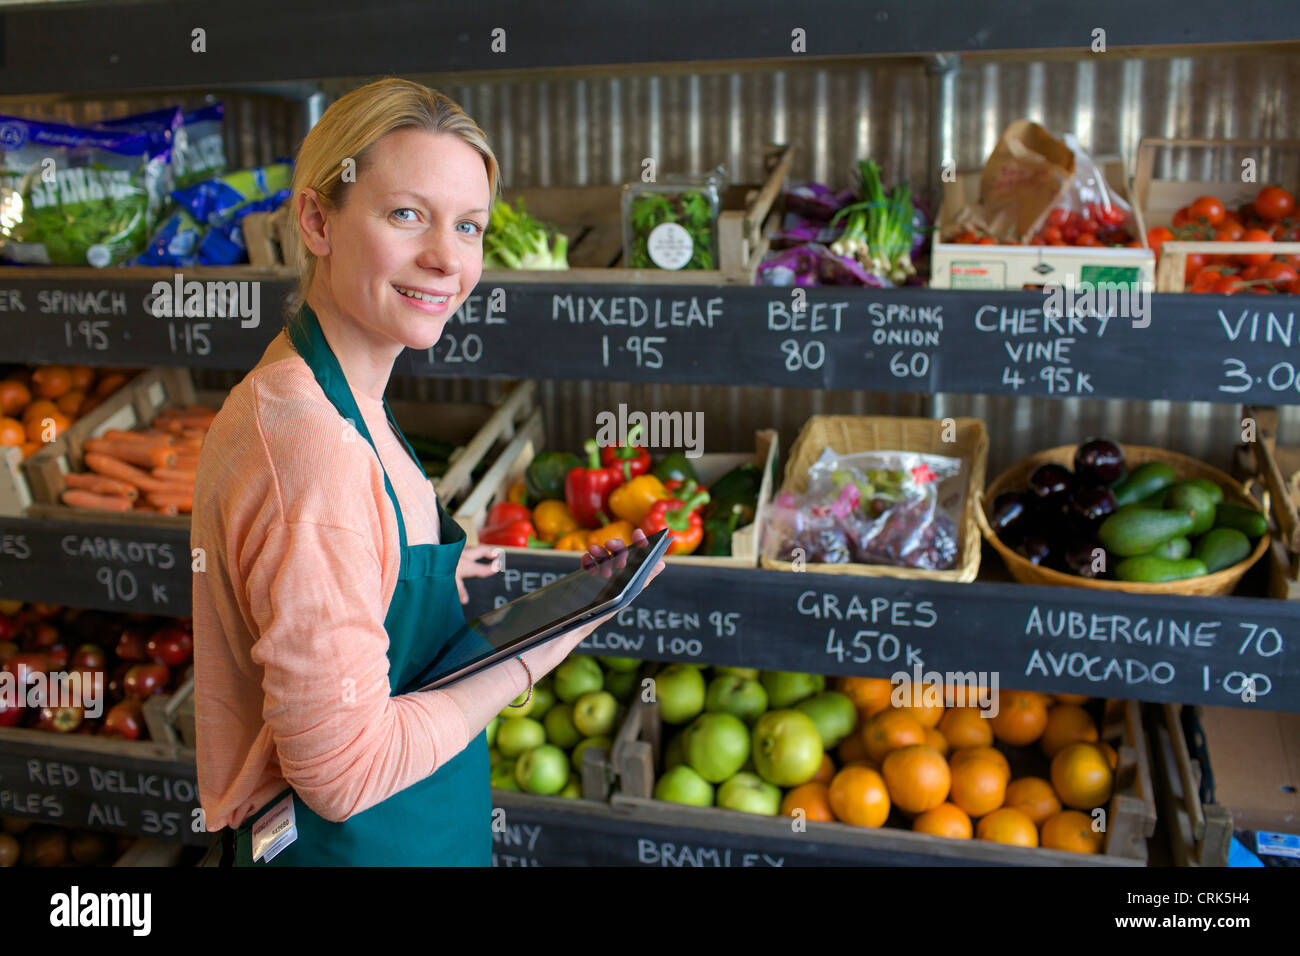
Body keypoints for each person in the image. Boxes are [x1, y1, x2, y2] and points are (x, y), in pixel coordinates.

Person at [191, 77, 663, 866]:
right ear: (316, 220)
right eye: (406, 214)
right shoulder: (316, 457)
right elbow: (345, 775)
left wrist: (444, 573)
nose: (447, 258)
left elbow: (347, 576)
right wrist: (530, 656)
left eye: (470, 226)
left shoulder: (329, 393)